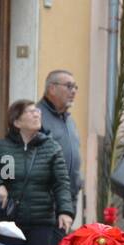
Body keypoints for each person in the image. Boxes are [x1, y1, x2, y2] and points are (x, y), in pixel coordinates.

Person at [0, 100, 75, 245]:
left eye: (37, 111)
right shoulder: (3, 147)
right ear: (17, 121)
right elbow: (2, 174)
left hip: (41, 218)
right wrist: (0, 183)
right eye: (30, 112)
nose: (37, 114)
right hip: (12, 219)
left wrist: (65, 210)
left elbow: (61, 182)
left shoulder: (50, 147)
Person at [38, 69, 84, 207]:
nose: (74, 91)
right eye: (69, 86)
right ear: (52, 88)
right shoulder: (36, 116)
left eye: (75, 87)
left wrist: (79, 182)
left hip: (70, 197)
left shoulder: (69, 120)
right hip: (47, 200)